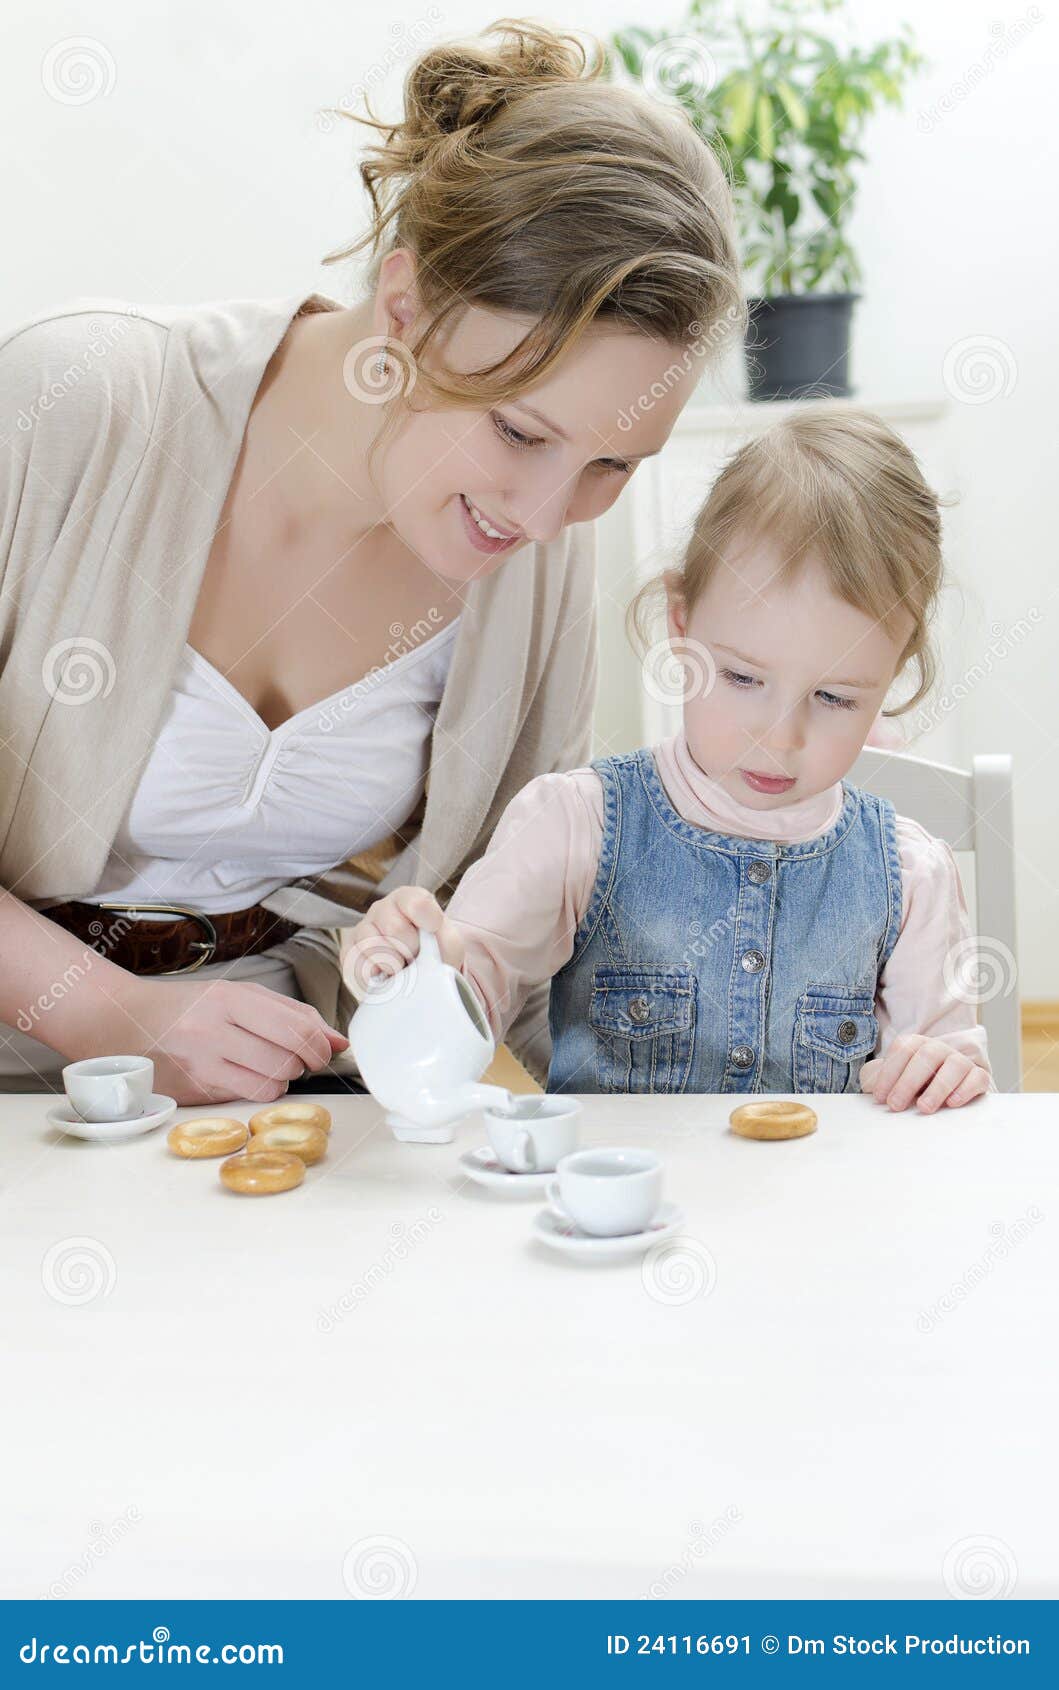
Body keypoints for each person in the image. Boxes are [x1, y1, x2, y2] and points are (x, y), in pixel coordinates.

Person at [0, 20, 743, 1103]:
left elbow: (521, 911)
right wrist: (118, 1017)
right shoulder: (74, 403)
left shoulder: (531, 548)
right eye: (520, 434)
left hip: (297, 1092)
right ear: (403, 308)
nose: (546, 518)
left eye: (613, 465)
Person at [344, 409, 993, 1112]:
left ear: (891, 671)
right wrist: (414, 964)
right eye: (744, 679)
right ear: (681, 627)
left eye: (833, 697)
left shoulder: (912, 877)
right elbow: (468, 987)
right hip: (616, 1217)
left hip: (819, 1215)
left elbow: (941, 1076)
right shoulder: (576, 824)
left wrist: (942, 1073)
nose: (778, 738)